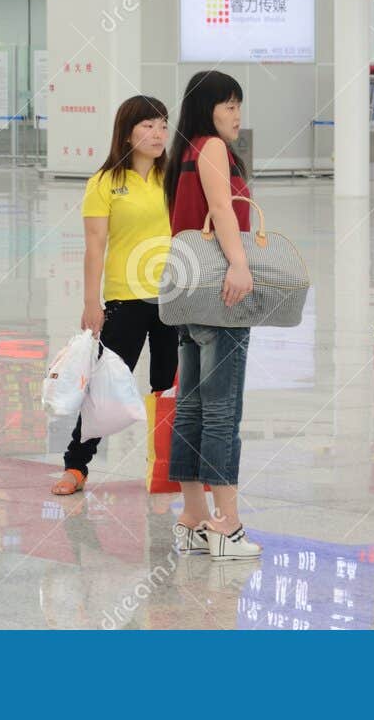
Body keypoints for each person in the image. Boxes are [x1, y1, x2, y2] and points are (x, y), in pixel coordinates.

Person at [52, 95, 178, 497]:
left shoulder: (173, 177)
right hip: (126, 299)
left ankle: (168, 468)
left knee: (167, 386)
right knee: (104, 388)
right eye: (147, 125)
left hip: (174, 297)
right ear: (126, 133)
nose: (158, 133)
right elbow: (95, 245)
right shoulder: (104, 183)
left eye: (162, 124)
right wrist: (93, 303)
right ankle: (76, 465)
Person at [163, 70, 260, 561]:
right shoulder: (213, 150)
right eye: (227, 106)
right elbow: (222, 210)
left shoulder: (181, 152)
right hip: (220, 292)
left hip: (188, 293)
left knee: (193, 407)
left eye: (239, 105)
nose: (236, 115)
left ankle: (194, 517)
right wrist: (240, 265)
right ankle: (228, 524)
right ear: (206, 109)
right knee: (223, 410)